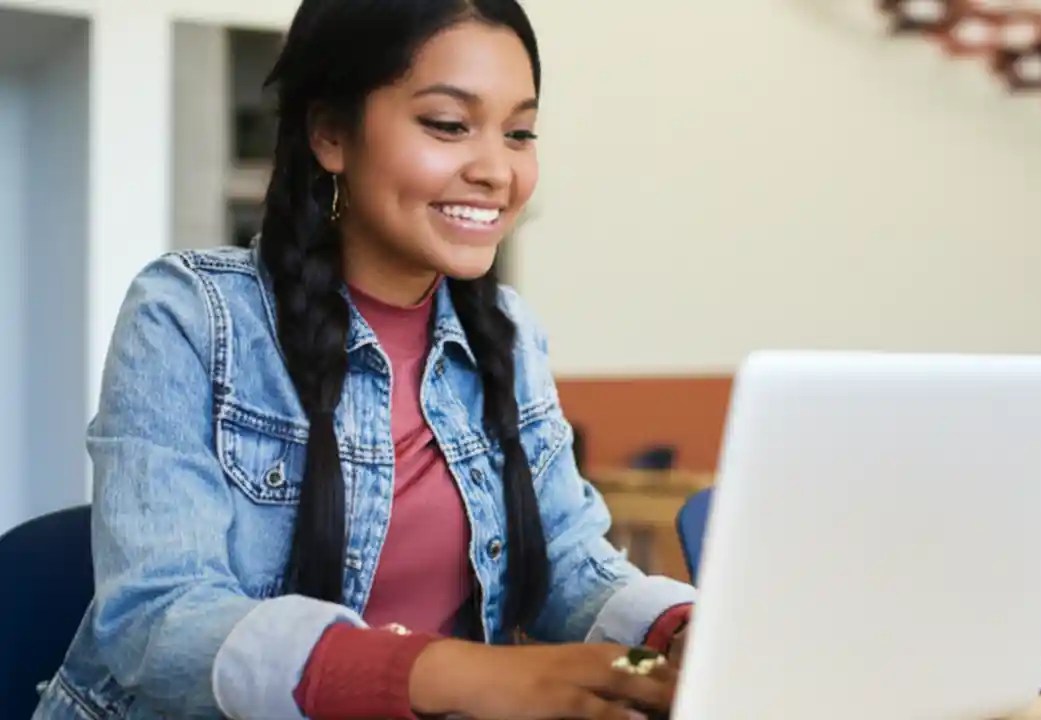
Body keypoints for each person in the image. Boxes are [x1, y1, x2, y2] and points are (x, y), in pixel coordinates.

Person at [33, 1, 696, 718]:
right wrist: (457, 673)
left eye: (520, 133)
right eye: (448, 124)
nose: (496, 170)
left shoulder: (507, 332)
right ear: (329, 134)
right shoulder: (190, 314)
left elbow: (566, 561)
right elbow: (158, 621)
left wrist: (678, 635)